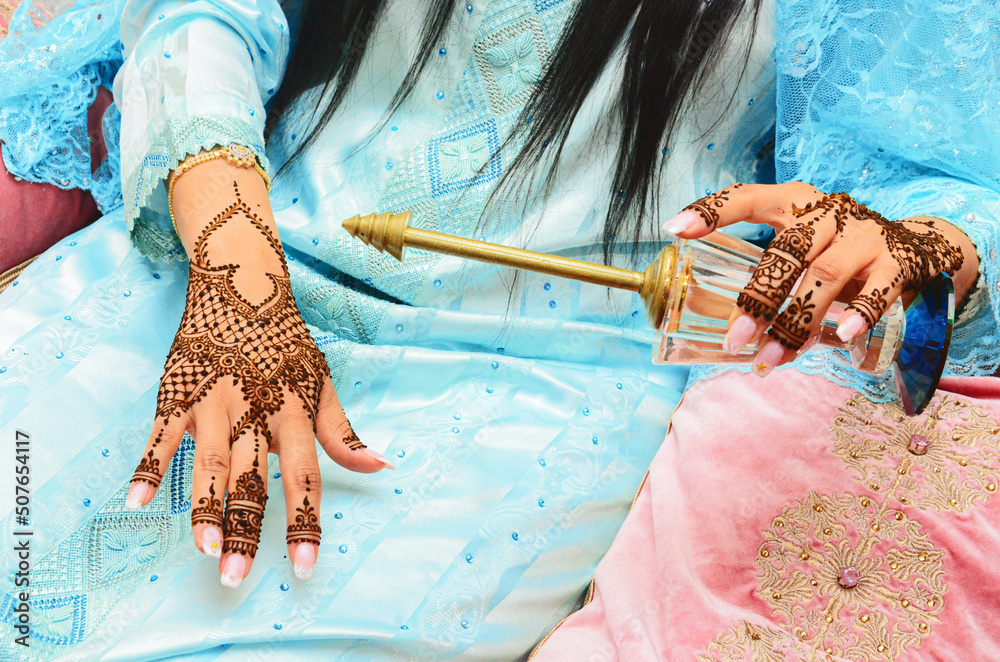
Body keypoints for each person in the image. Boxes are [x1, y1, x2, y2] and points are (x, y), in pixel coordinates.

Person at [0, 2, 996, 662]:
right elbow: (197, 13)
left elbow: (946, 171)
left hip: (538, 385)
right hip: (215, 268)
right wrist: (235, 278)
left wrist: (908, 246)